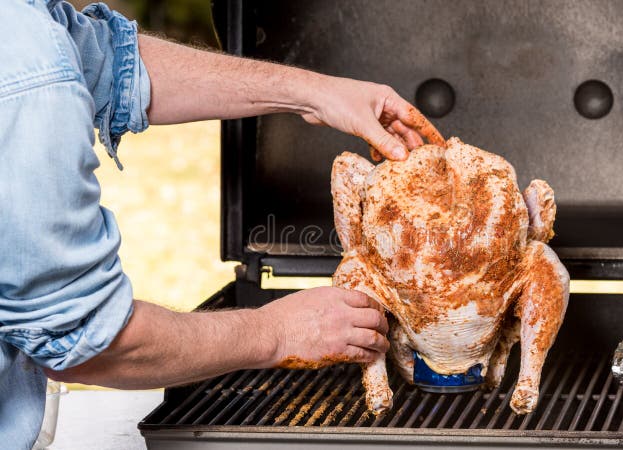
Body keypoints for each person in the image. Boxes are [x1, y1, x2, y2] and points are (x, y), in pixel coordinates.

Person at [0, 1, 443, 448]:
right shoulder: (25, 67)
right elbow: (87, 341)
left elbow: (113, 61)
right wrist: (277, 332)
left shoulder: (26, 26)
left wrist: (315, 92)